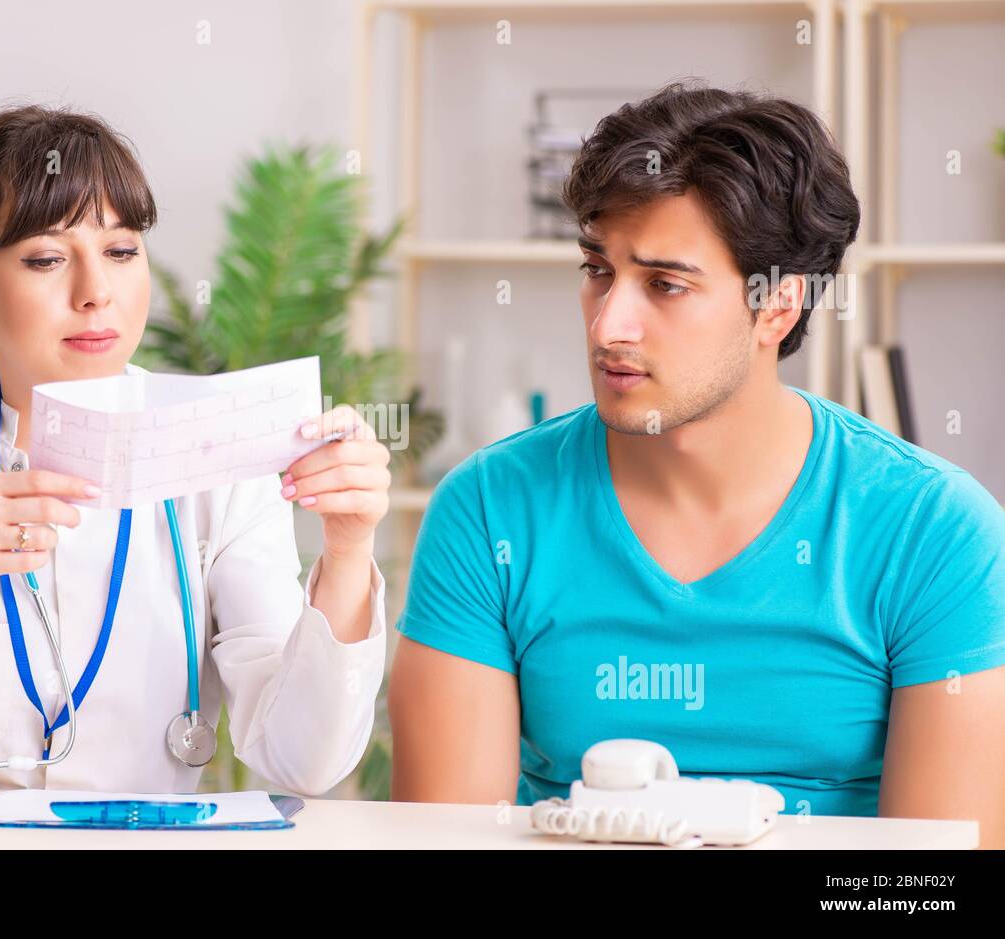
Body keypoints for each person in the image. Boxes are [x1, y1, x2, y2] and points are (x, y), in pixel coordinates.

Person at [388, 81, 1005, 846]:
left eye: (665, 284)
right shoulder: (489, 509)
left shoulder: (936, 531)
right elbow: (447, 839)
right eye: (598, 269)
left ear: (777, 306)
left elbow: (925, 883)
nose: (608, 324)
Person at [0, 104, 391, 800]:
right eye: (46, 259)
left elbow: (301, 761)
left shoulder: (218, 455)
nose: (95, 293)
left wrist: (348, 551)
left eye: (120, 252)